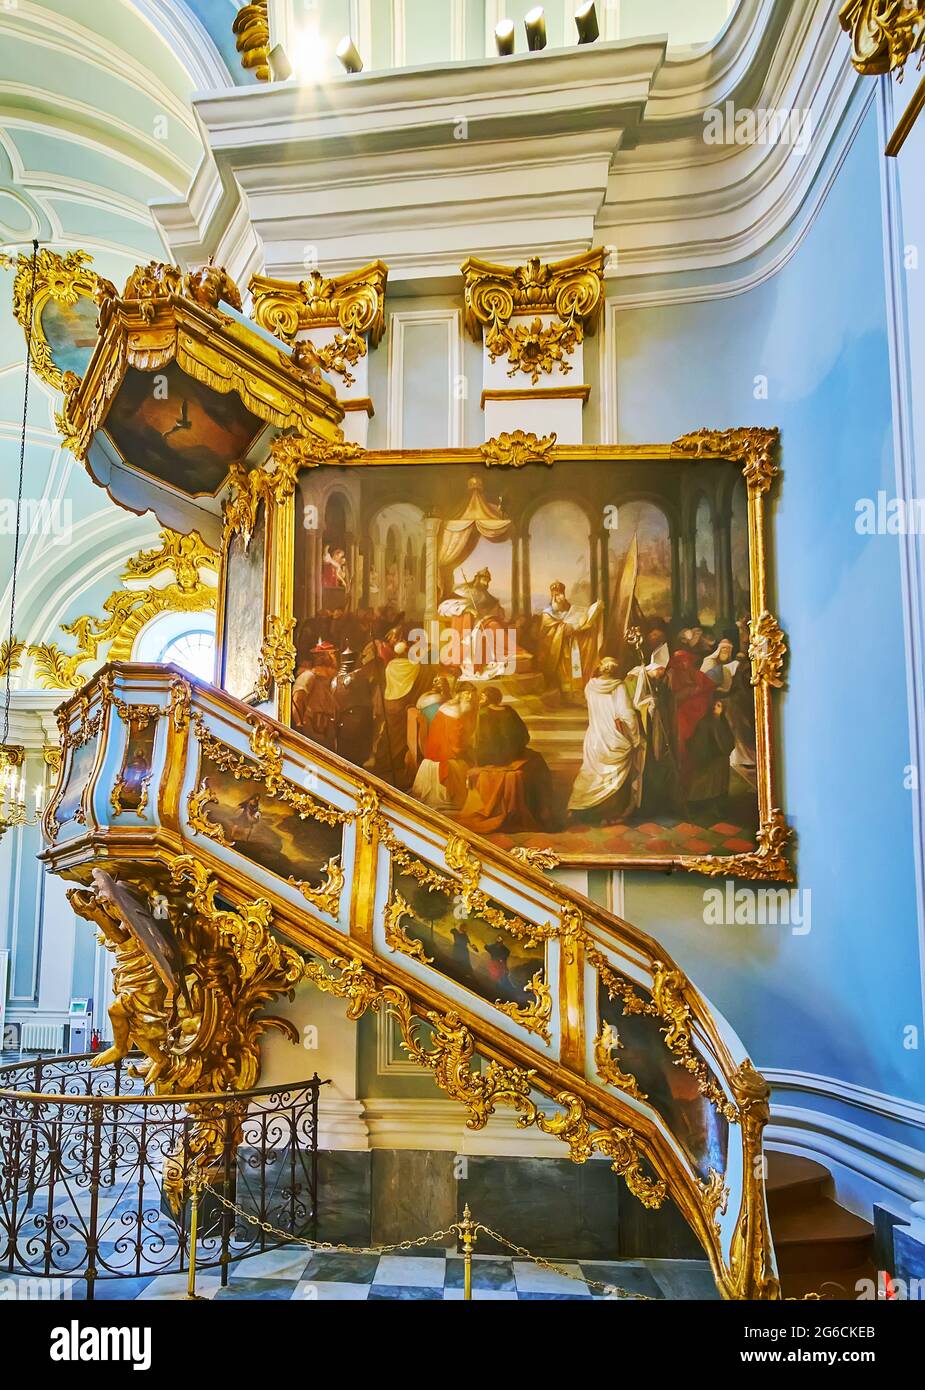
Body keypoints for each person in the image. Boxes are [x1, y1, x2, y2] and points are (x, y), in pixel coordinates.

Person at [458, 686, 556, 833]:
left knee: (535, 761)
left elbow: (482, 742)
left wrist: (483, 758)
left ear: (489, 698)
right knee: (537, 760)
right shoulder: (509, 710)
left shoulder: (483, 713)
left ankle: (542, 810)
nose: (480, 700)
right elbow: (525, 736)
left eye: (483, 697)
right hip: (516, 754)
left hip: (493, 757)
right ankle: (543, 809)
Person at [568, 658, 644, 823]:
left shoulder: (590, 686)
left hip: (595, 737)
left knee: (592, 772)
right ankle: (608, 813)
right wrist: (635, 737)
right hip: (613, 737)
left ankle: (581, 809)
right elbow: (627, 715)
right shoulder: (619, 686)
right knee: (613, 774)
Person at [411, 683, 477, 810]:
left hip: (442, 748)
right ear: (459, 694)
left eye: (471, 694)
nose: (469, 697)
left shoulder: (453, 705)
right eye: (466, 694)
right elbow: (456, 740)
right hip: (444, 752)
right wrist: (466, 749)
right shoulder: (455, 710)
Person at [374, 640, 432, 786]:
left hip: (389, 704)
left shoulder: (391, 665)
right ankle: (396, 766)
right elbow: (420, 686)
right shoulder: (415, 667)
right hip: (402, 706)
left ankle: (384, 764)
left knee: (388, 735)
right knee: (401, 738)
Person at [537, 582, 603, 703]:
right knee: (564, 674)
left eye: (561, 594)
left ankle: (578, 695)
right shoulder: (547, 613)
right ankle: (566, 697)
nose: (559, 598)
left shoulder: (573, 609)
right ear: (552, 596)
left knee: (576, 670)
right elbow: (547, 632)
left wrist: (586, 622)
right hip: (559, 649)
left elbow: (579, 622)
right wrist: (566, 628)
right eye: (556, 595)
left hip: (574, 645)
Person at [686, 696, 736, 817]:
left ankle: (717, 805)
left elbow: (727, 743)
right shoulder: (705, 721)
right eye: (714, 705)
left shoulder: (722, 721)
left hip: (718, 758)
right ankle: (698, 805)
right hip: (705, 758)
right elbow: (698, 742)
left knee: (720, 772)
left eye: (718, 706)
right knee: (703, 782)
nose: (715, 707)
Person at [332, 647, 375, 767]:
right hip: (359, 720)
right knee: (357, 756)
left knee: (345, 755)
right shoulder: (358, 676)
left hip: (341, 722)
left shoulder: (335, 680)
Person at [291, 642, 337, 750]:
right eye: (332, 654)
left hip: (325, 734)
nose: (335, 658)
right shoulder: (308, 677)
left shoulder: (329, 683)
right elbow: (297, 701)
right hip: (311, 731)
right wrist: (300, 727)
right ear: (325, 657)